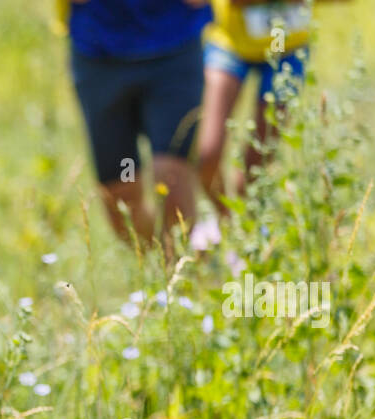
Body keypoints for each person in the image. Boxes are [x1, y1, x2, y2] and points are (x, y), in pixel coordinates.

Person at [52, 0, 213, 254]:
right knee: (123, 206)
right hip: (99, 57)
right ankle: (164, 270)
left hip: (174, 51)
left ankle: (184, 275)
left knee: (171, 184)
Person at [198, 0, 349, 219]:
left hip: (289, 48)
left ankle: (242, 236)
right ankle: (221, 219)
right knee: (208, 154)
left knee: (256, 166)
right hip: (228, 42)